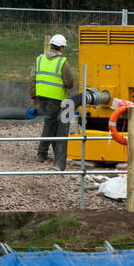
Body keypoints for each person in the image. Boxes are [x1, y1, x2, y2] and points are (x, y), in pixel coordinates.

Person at [29, 33, 76, 170]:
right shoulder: (62, 62)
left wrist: (33, 95)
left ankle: (57, 153)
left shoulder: (40, 59)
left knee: (53, 123)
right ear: (61, 47)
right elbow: (69, 82)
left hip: (41, 96)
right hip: (55, 98)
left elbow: (32, 78)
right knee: (50, 124)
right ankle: (41, 153)